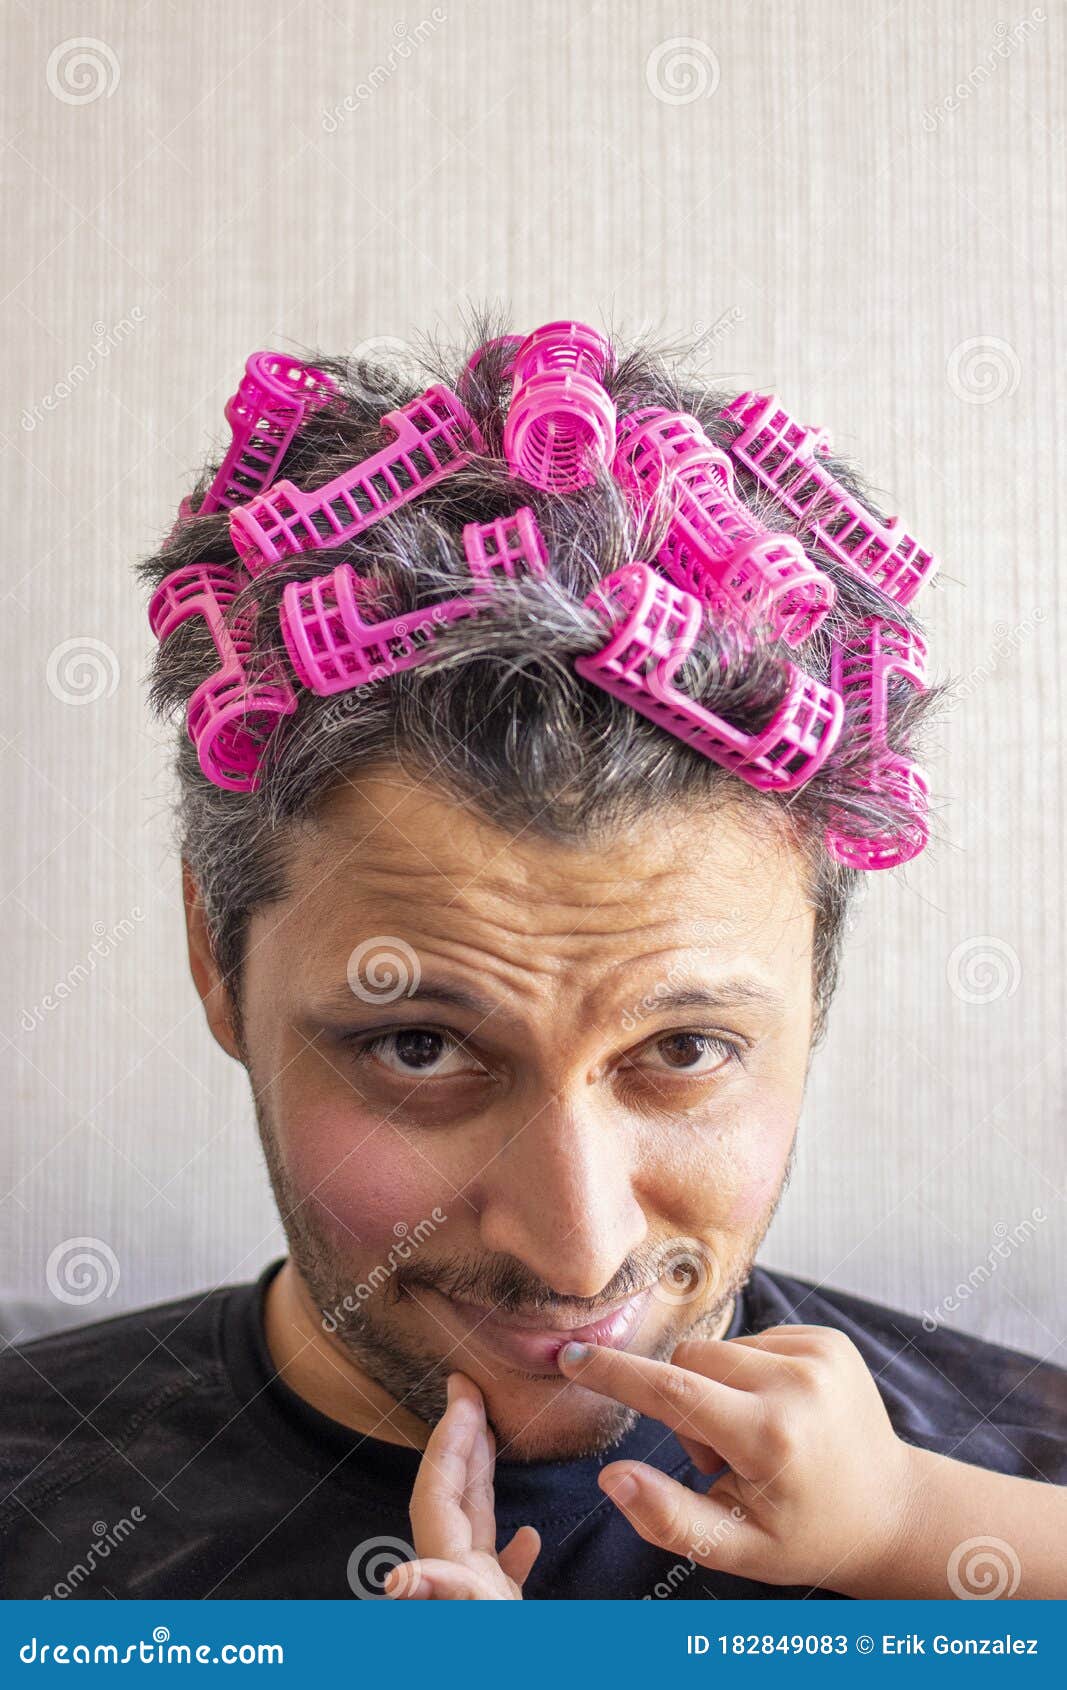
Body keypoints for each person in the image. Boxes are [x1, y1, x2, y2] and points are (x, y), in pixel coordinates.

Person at [1, 315, 1062, 1602]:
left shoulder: (1011, 1520)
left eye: (683, 1050)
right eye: (420, 1045)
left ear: (815, 995)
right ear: (214, 959)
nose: (575, 1250)